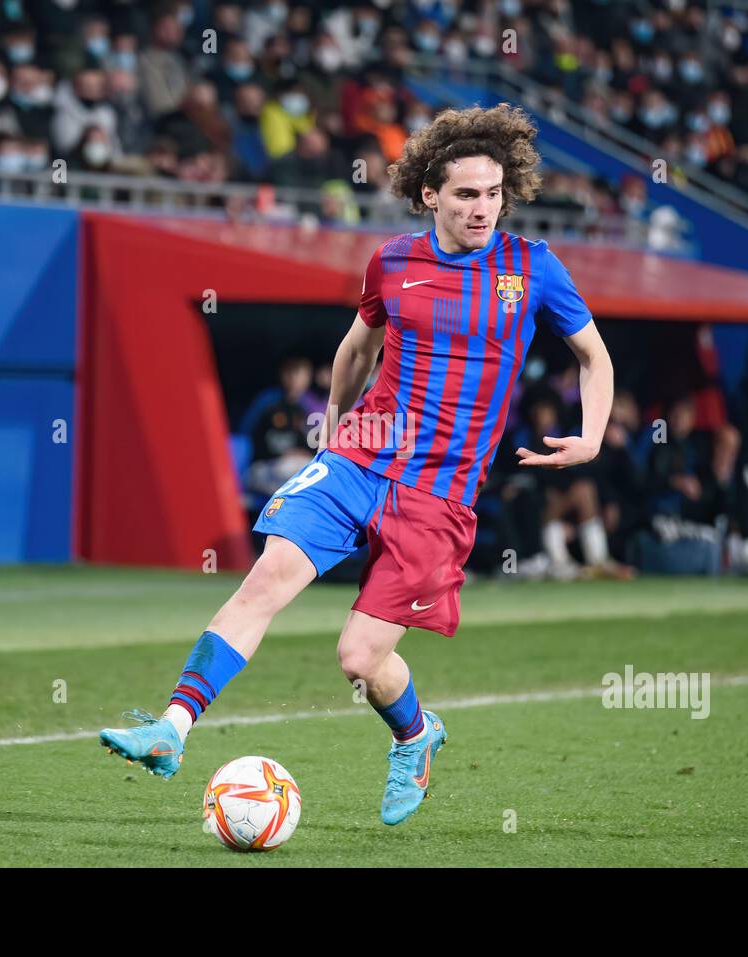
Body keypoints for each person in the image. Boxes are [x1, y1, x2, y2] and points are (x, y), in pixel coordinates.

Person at [98, 104, 614, 826]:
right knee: (267, 576)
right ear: (430, 194)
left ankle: (415, 734)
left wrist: (591, 434)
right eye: (467, 194)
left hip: (440, 491)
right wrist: (338, 432)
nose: (483, 208)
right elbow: (354, 349)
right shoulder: (393, 261)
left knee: (360, 658)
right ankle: (171, 729)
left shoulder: (531, 267)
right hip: (361, 456)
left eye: (494, 193)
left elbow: (593, 354)